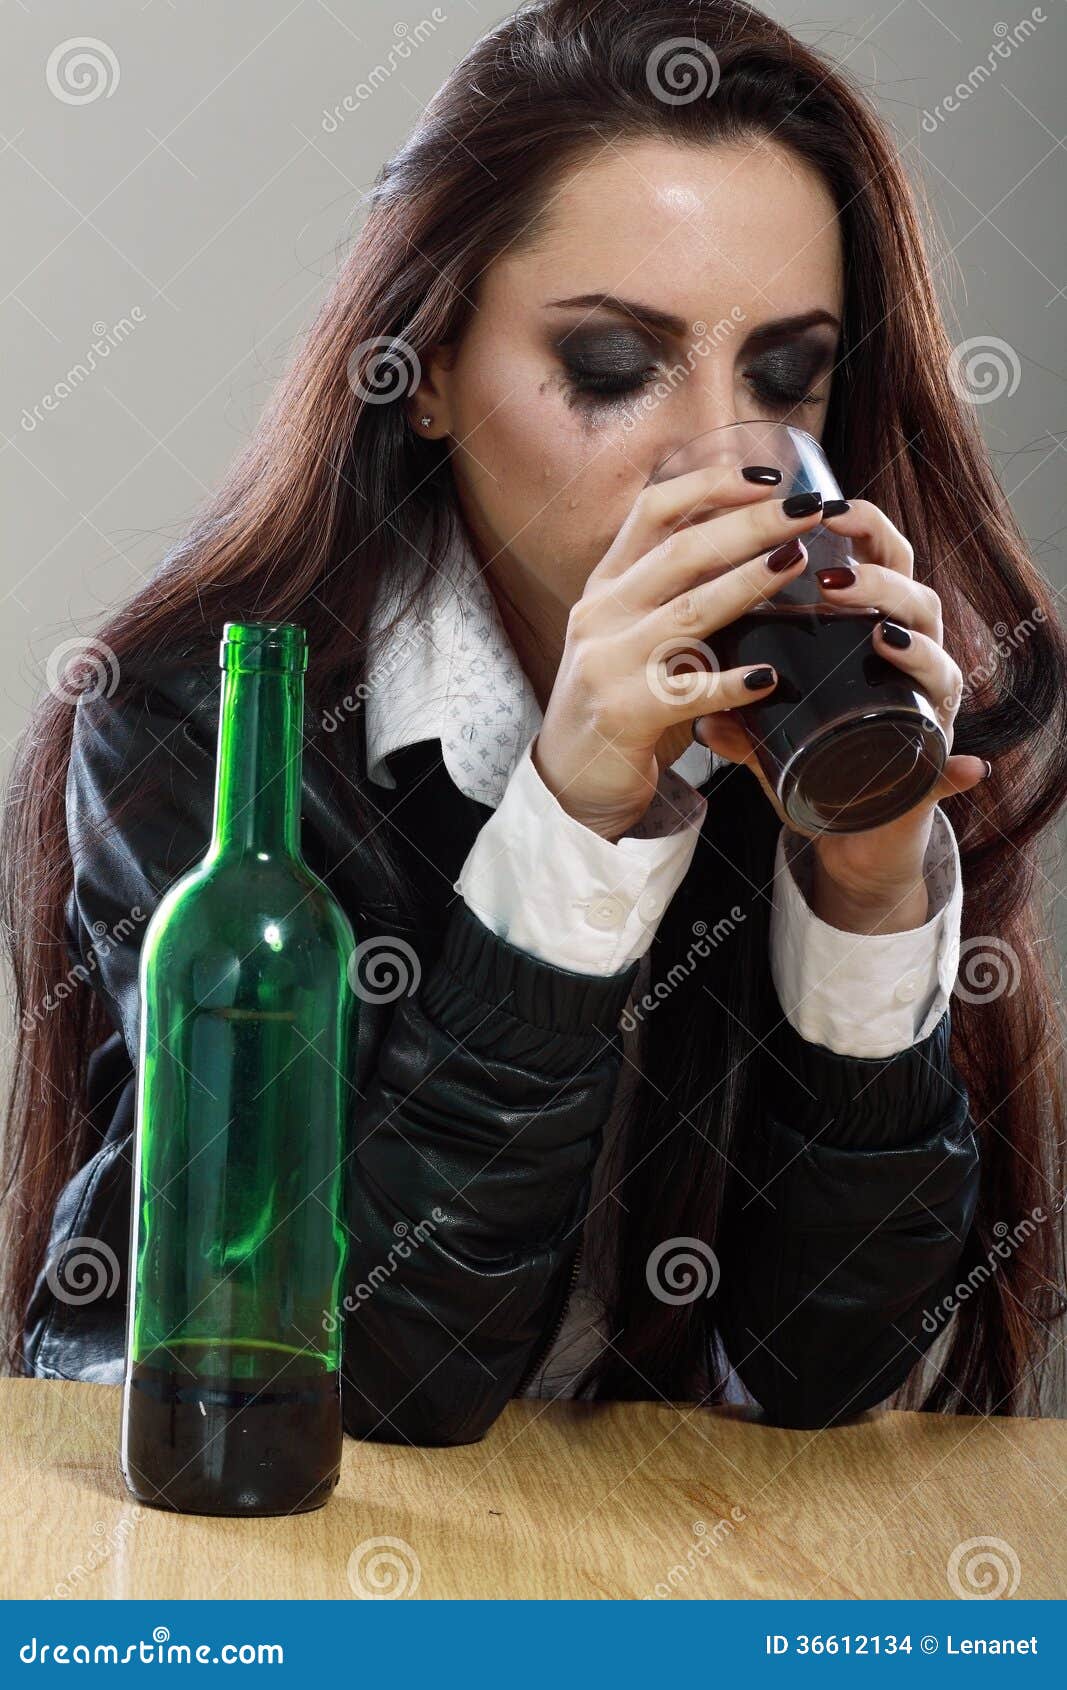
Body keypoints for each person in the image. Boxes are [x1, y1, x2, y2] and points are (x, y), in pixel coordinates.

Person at [5, 0, 1066, 1440]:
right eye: (616, 368)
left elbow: (823, 1371)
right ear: (428, 369)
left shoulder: (816, 707)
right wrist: (572, 825)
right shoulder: (207, 725)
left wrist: (866, 892)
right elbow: (356, 1381)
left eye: (782, 376)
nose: (717, 458)